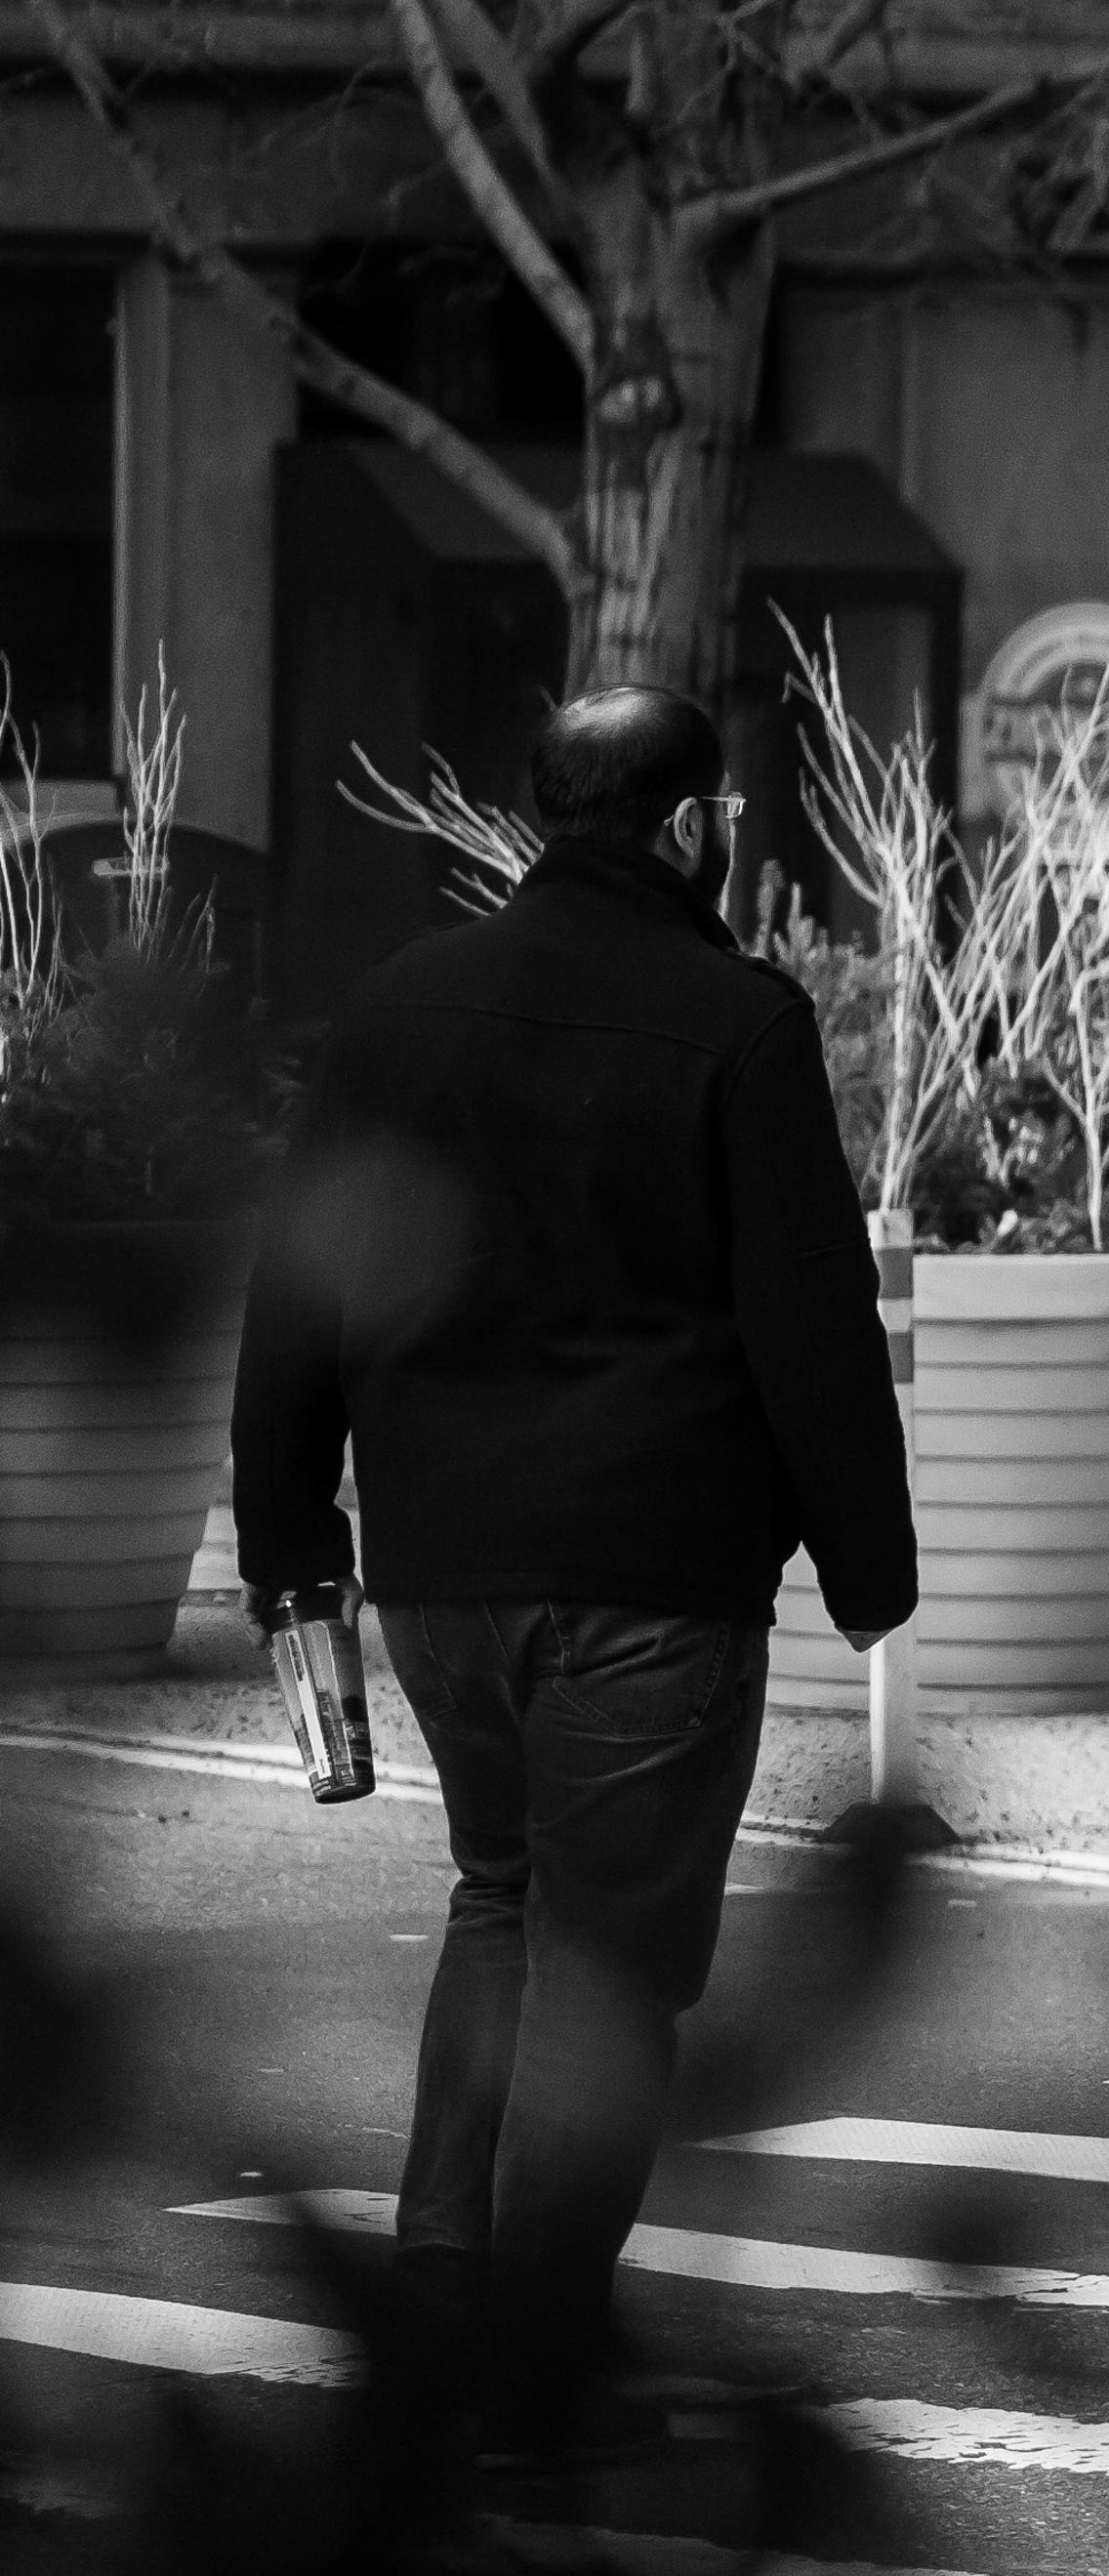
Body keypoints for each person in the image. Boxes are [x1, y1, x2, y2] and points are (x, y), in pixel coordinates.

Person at [230, 686, 915, 2455]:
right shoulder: (739, 1023)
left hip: (437, 1576)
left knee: (503, 1896)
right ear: (691, 828)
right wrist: (870, 1566)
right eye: (727, 821)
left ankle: (443, 2293)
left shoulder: (396, 1006)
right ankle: (537, 2375)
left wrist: (290, 1539)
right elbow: (811, 1320)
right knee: (608, 1972)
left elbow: (302, 1287)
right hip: (650, 1575)